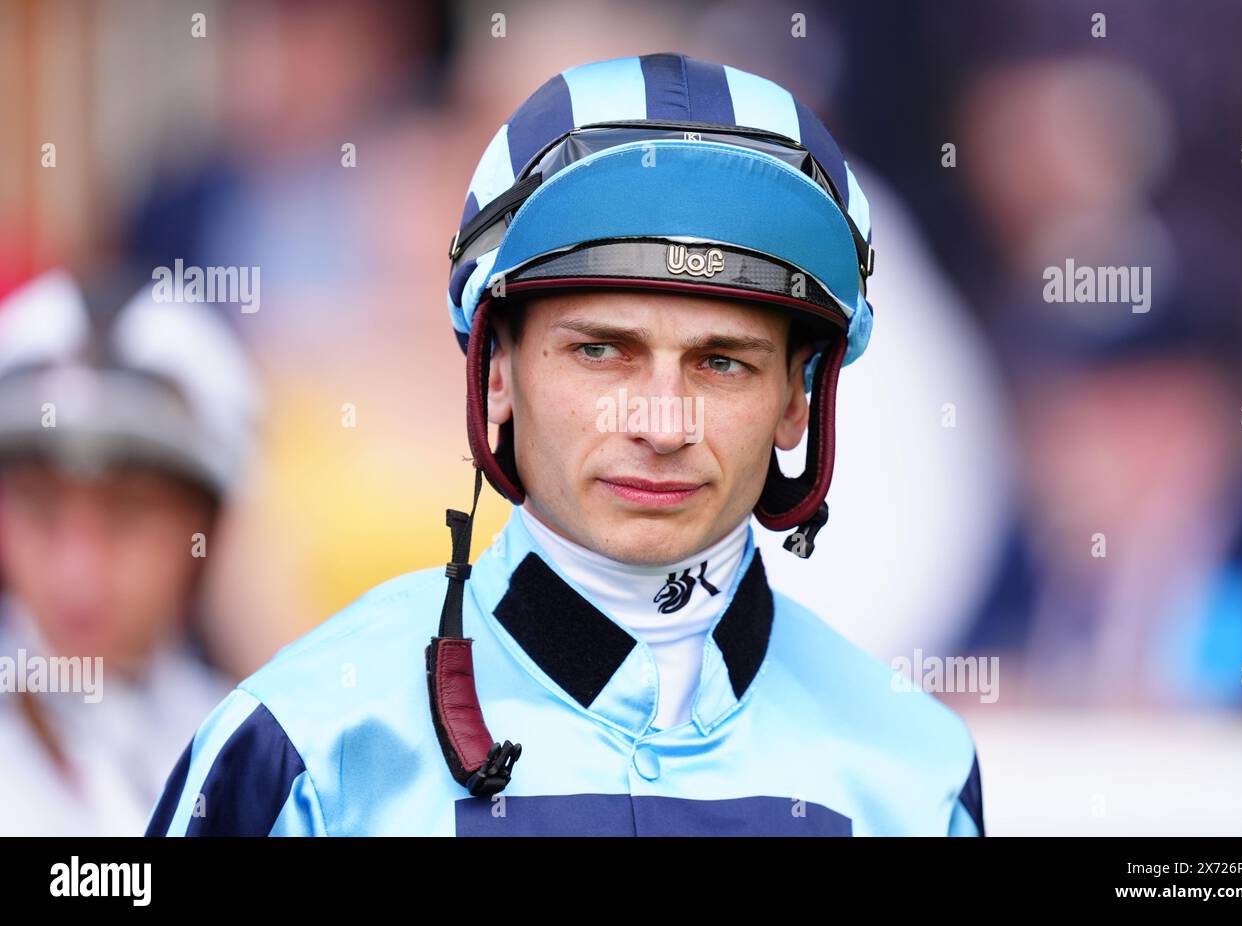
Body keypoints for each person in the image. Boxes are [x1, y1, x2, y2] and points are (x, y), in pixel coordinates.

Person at [147, 52, 984, 836]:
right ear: (498, 375)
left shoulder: (918, 773)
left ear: (797, 400)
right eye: (601, 351)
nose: (663, 425)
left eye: (722, 363)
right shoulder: (303, 752)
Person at [0, 267, 261, 835]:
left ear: (207, 530)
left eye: (128, 514)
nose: (77, 572)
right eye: (39, 510)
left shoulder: (262, 754)